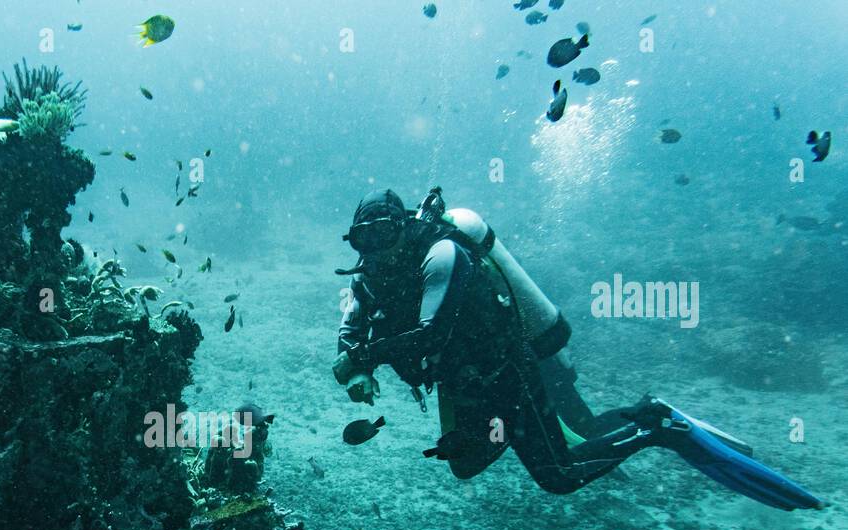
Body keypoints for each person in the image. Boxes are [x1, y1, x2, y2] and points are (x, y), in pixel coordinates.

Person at [330, 188, 826, 511]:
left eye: (385, 235)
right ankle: (610, 422)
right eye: (364, 239)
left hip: (508, 367)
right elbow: (349, 335)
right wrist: (356, 369)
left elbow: (431, 335)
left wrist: (364, 359)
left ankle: (658, 424)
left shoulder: (442, 253)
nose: (376, 249)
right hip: (463, 380)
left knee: (559, 474)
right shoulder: (371, 277)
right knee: (470, 462)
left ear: (404, 227)